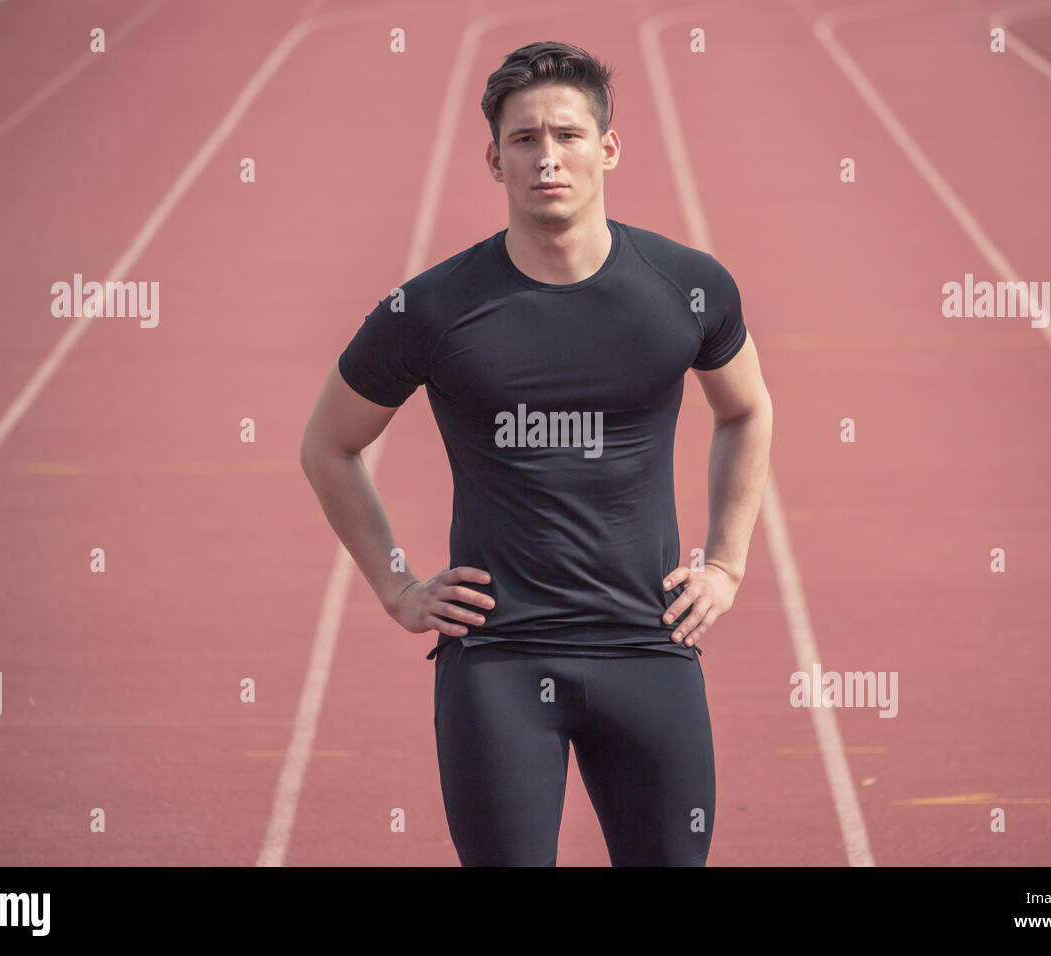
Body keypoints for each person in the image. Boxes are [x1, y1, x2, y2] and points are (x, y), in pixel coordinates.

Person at [300, 40, 772, 866]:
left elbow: (746, 411)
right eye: (524, 140)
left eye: (567, 135)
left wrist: (726, 567)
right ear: (494, 159)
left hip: (647, 648)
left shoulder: (687, 289)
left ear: (608, 148)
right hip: (498, 662)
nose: (547, 158)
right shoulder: (433, 309)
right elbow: (330, 445)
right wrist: (399, 588)